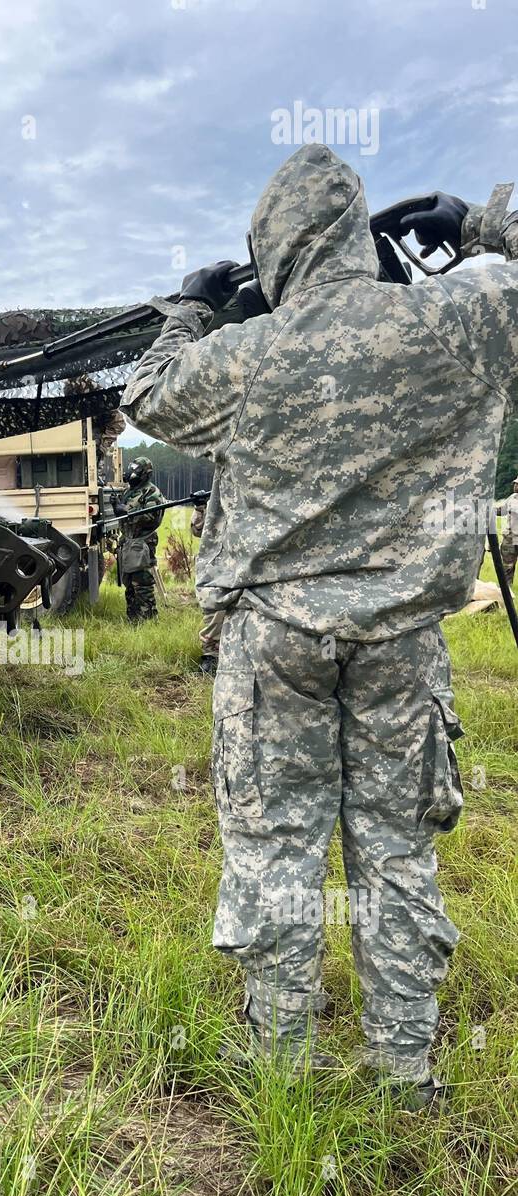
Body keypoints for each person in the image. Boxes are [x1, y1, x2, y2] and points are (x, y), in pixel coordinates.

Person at [121, 142, 518, 1109]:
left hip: (273, 646)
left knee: (275, 856)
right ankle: (404, 1074)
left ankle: (283, 1077)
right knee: (394, 854)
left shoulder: (252, 351)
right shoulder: (458, 315)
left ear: (275, 247)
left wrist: (191, 307)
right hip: (401, 645)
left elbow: (147, 394)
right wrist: (475, 224)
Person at [115, 456, 164, 621]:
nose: (131, 471)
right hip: (128, 542)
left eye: (135, 468)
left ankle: (148, 618)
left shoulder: (152, 492)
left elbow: (151, 517)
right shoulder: (129, 491)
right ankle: (133, 618)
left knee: (142, 584)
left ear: (144, 473)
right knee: (129, 584)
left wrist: (126, 512)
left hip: (142, 542)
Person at [191, 496, 224, 676]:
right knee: (216, 608)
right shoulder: (218, 498)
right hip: (220, 564)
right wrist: (200, 508)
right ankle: (211, 656)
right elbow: (197, 530)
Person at [494, 476, 518, 586]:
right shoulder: (512, 497)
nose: (515, 486)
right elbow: (502, 511)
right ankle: (506, 591)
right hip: (510, 538)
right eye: (515, 484)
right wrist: (489, 510)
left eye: (517, 485)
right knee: (507, 566)